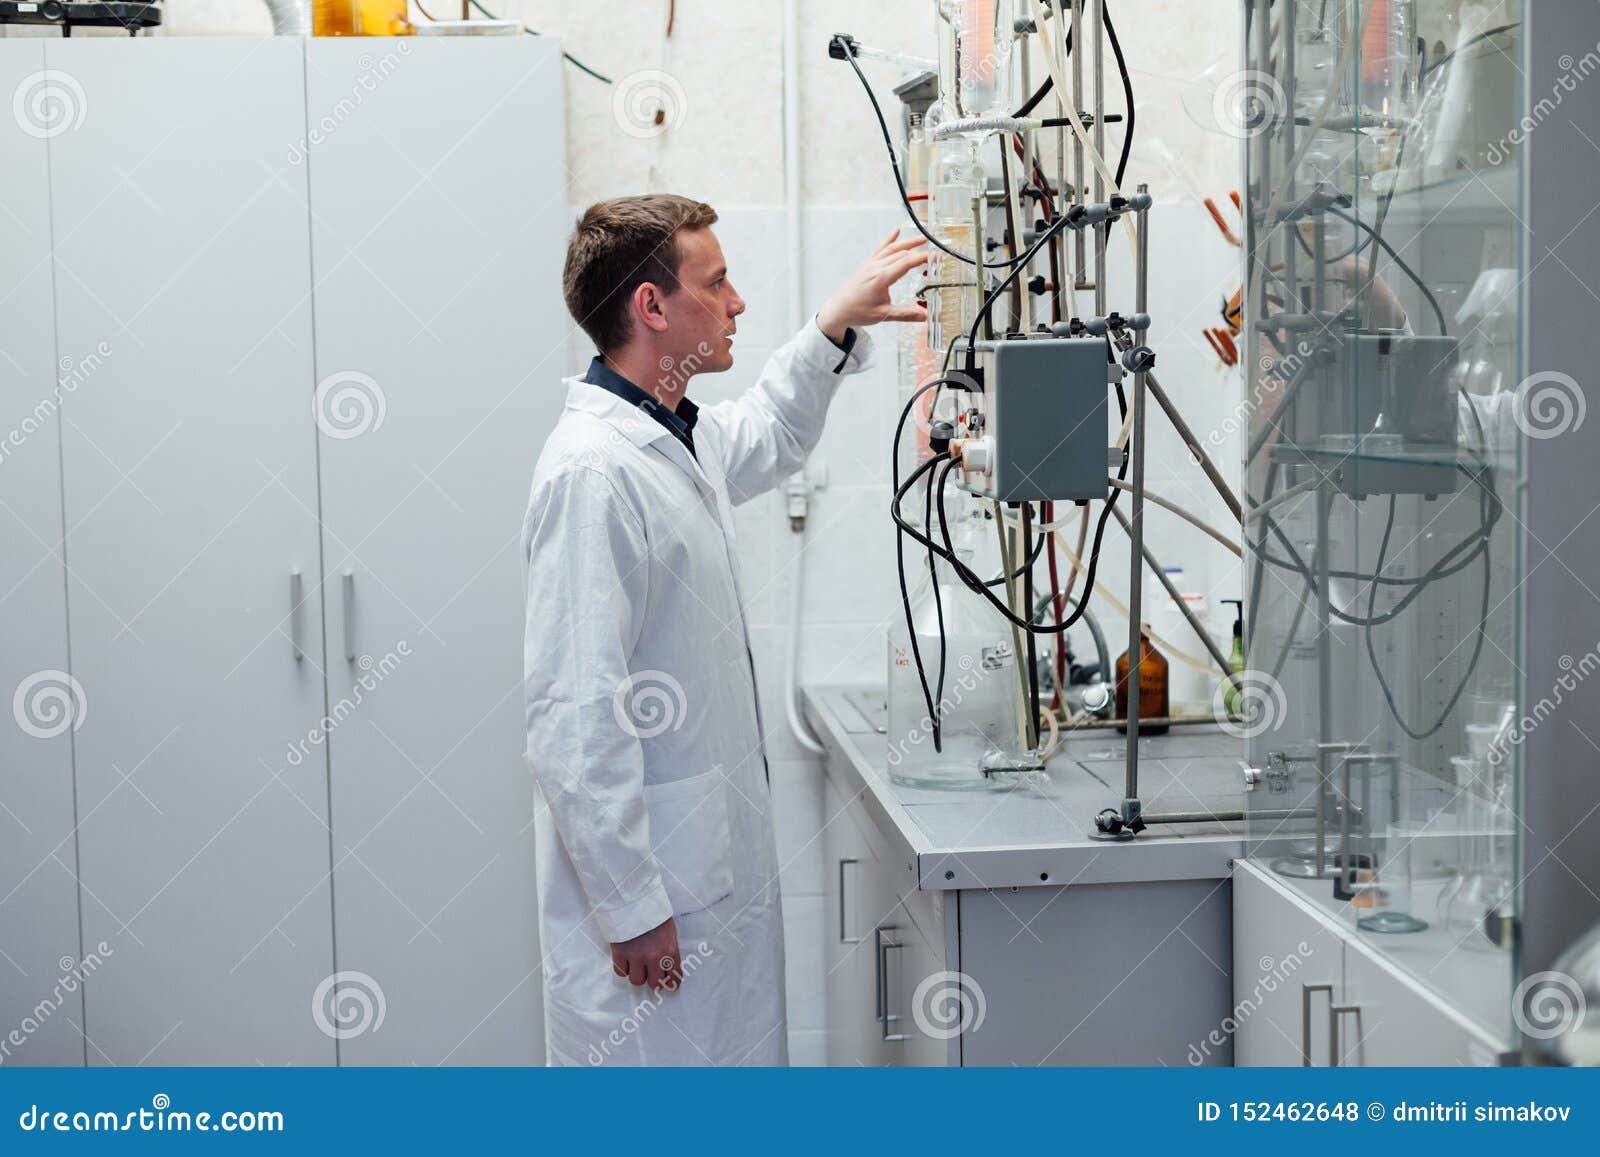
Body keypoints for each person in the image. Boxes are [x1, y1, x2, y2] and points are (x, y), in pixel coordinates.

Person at [522, 195, 926, 1066]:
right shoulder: (593, 473)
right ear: (652, 307)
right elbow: (575, 713)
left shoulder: (670, 438)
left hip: (702, 880)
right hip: (656, 906)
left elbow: (771, 429)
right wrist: (628, 905)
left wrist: (832, 324)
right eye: (718, 281)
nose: (738, 301)